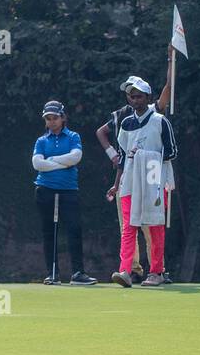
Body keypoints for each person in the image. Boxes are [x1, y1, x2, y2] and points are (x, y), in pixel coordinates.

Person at [97, 74, 172, 284]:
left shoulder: (160, 121)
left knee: (155, 226)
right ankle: (125, 271)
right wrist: (116, 184)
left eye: (139, 96)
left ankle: (156, 272)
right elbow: (123, 158)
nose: (135, 100)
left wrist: (144, 156)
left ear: (148, 97)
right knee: (128, 228)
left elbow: (171, 152)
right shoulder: (126, 123)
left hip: (153, 179)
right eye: (132, 96)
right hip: (129, 180)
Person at [31, 100, 96, 285]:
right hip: (45, 189)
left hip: (68, 190)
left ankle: (78, 273)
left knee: (74, 229)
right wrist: (62, 163)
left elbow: (76, 157)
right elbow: (37, 164)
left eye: (55, 118)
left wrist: (50, 160)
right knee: (49, 232)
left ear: (62, 118)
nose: (51, 122)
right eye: (48, 119)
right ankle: (52, 274)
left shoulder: (73, 136)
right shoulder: (41, 141)